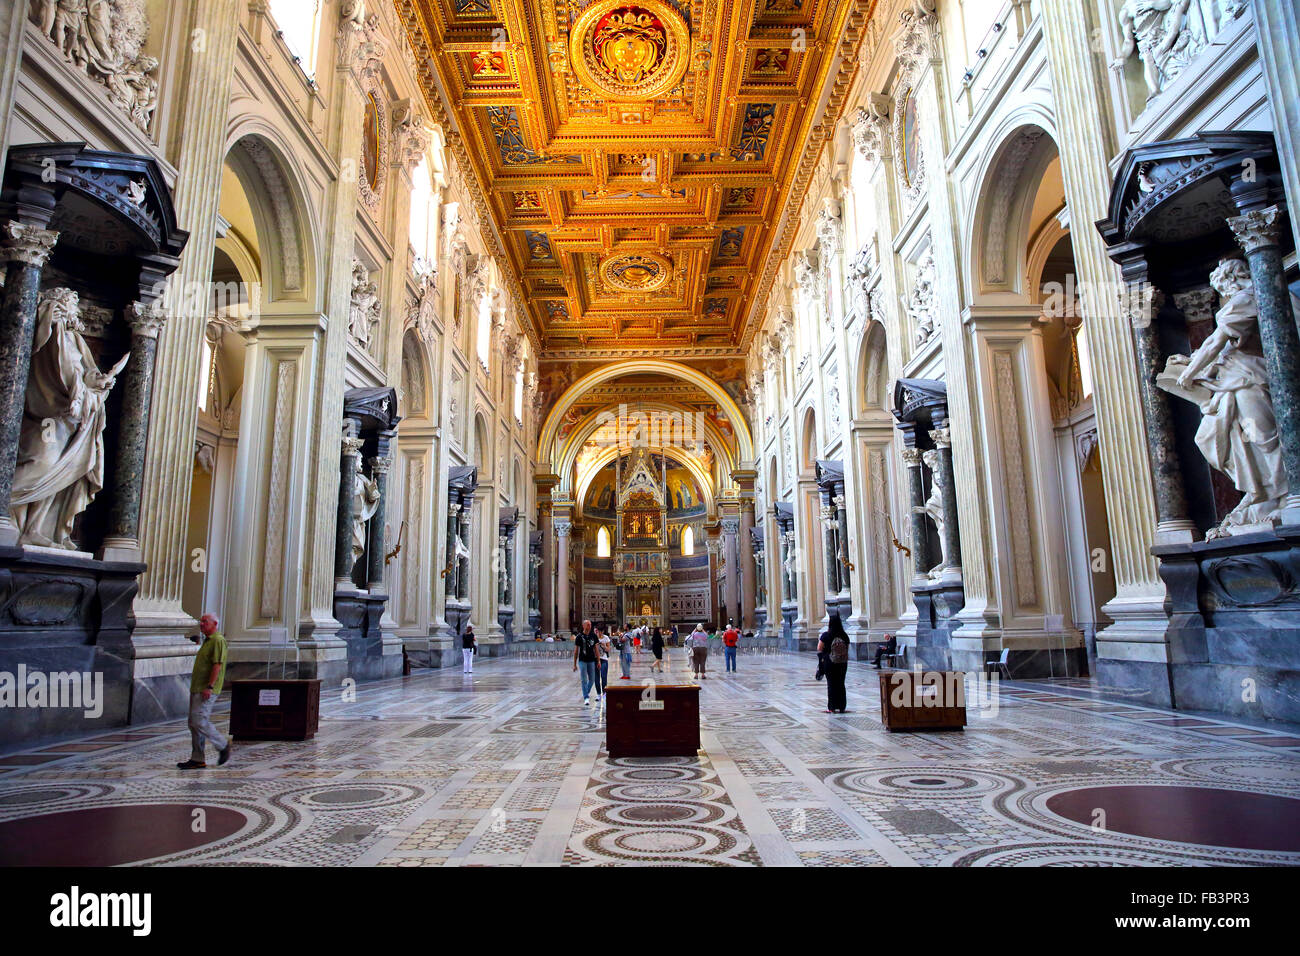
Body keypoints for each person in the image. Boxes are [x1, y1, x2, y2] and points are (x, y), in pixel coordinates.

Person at [177, 614, 231, 769]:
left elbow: (217, 665)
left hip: (206, 688)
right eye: (201, 621)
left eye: (205, 621)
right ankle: (197, 758)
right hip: (198, 687)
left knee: (199, 720)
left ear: (215, 623)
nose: (201, 624)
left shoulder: (218, 640)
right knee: (193, 724)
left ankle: (222, 745)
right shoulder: (208, 640)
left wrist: (210, 686)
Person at [818, 613, 851, 713]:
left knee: (831, 684)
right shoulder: (844, 636)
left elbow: (819, 648)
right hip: (842, 663)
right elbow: (847, 648)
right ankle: (842, 706)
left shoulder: (826, 635)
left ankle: (832, 707)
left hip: (829, 662)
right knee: (841, 683)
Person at [572, 619, 599, 706]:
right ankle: (586, 697)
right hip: (582, 660)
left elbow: (596, 649)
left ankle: (586, 692)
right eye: (588, 625)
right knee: (584, 679)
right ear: (583, 626)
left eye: (590, 625)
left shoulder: (593, 636)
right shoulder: (579, 637)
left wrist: (598, 661)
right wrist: (574, 664)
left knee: (592, 679)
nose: (589, 626)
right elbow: (576, 651)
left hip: (591, 660)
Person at [596, 625, 612, 698]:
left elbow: (608, 649)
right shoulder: (594, 637)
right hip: (596, 659)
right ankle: (598, 693)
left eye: (600, 631)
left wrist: (604, 646)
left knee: (604, 676)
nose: (598, 633)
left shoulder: (606, 638)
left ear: (602, 631)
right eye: (597, 631)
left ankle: (604, 692)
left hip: (604, 659)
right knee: (596, 677)